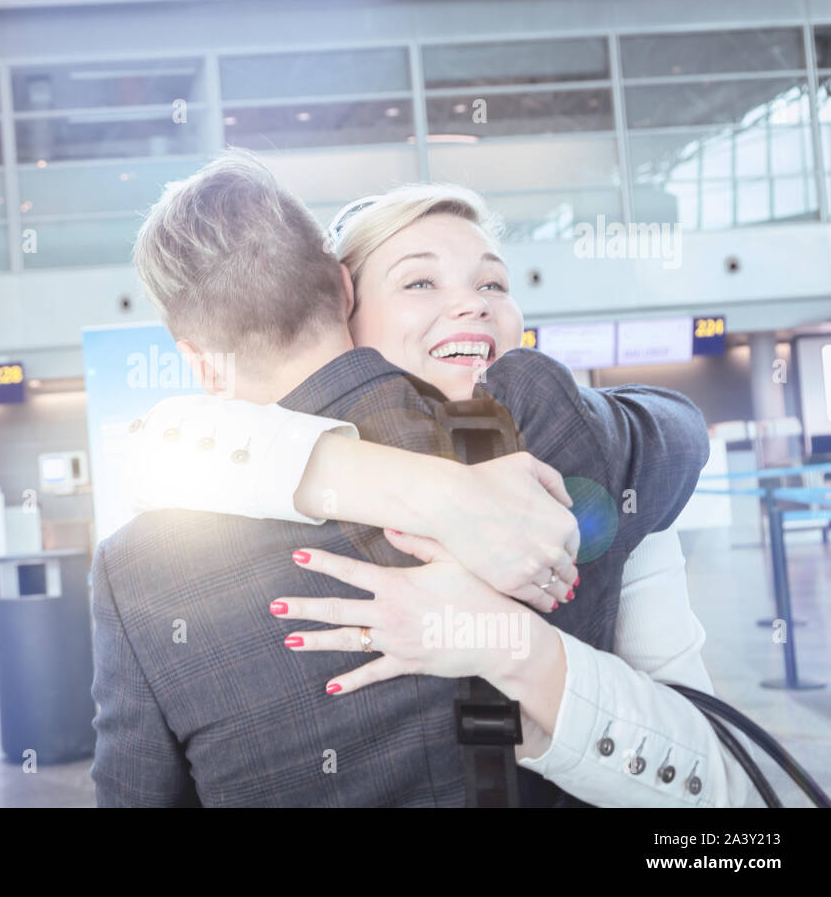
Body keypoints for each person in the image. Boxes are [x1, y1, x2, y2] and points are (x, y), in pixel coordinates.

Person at [91, 149, 741, 806]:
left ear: (199, 361)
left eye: (493, 284)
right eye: (419, 283)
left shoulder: (140, 565)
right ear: (345, 297)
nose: (473, 307)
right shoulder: (542, 436)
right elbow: (679, 431)